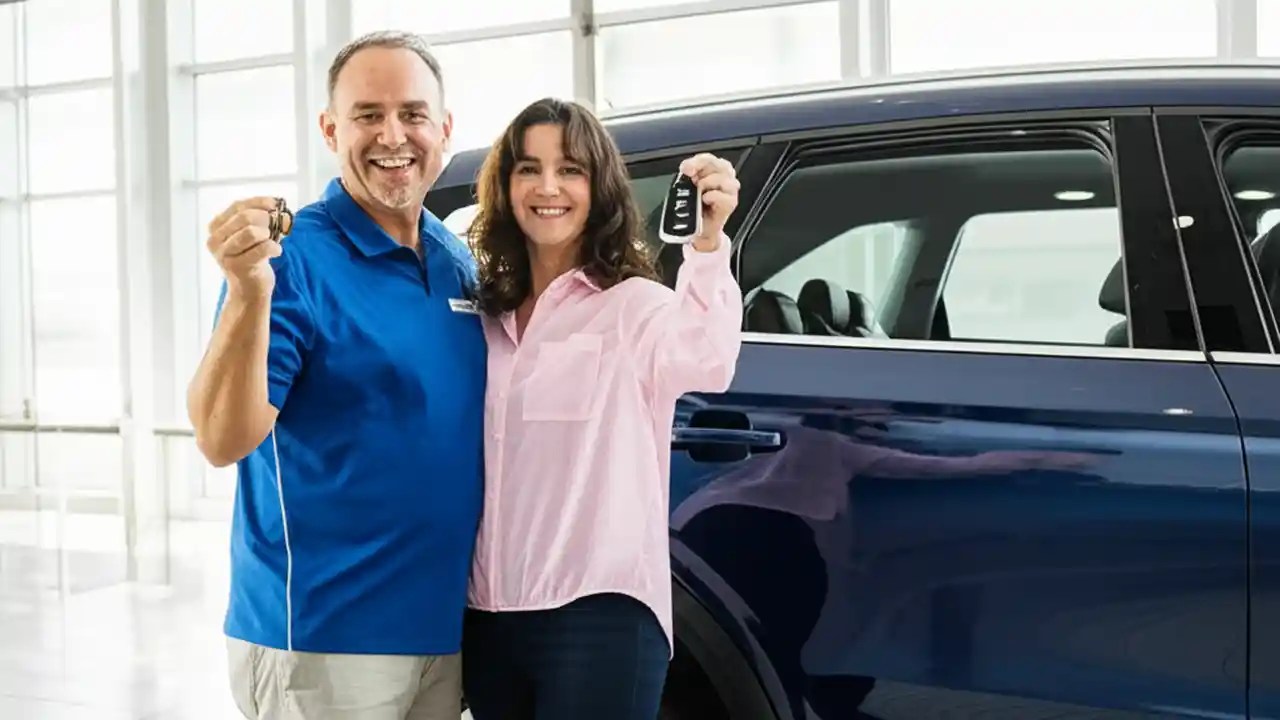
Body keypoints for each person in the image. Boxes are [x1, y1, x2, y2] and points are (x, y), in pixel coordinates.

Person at [187, 30, 483, 719]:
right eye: (367, 115)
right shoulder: (289, 260)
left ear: (444, 130)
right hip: (323, 639)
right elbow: (221, 438)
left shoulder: (455, 259)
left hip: (443, 633)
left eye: (412, 114)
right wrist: (247, 290)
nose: (393, 136)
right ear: (330, 129)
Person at [460, 97, 745, 719]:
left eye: (570, 170)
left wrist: (707, 243)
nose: (548, 187)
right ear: (505, 188)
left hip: (599, 615)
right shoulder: (485, 317)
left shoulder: (633, 306)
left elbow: (708, 359)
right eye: (527, 169)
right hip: (486, 617)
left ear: (599, 188)